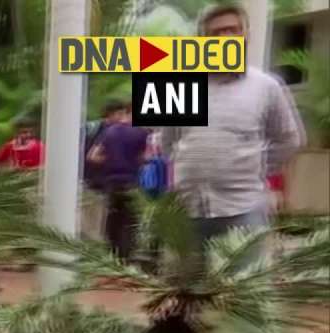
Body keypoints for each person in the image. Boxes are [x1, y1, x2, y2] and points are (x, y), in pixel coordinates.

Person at [160, 3, 305, 270]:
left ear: (246, 36)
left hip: (244, 211)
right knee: (181, 299)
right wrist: (190, 169)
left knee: (244, 302)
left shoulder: (267, 87)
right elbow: (167, 142)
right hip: (187, 212)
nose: (226, 37)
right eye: (217, 32)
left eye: (233, 30)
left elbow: (289, 139)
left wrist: (256, 168)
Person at [86, 100, 150, 266]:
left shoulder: (109, 132)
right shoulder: (141, 133)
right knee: (130, 220)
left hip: (112, 183)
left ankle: (112, 256)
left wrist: (110, 161)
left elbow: (93, 156)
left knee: (113, 219)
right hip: (132, 183)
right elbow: (146, 158)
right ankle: (126, 259)